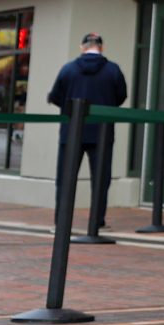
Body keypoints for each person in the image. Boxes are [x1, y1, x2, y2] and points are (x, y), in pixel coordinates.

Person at [46, 32, 129, 228]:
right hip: (102, 131)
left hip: (71, 132)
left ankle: (62, 221)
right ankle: (97, 221)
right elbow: (121, 96)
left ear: (82, 47)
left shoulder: (68, 70)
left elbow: (57, 96)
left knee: (66, 179)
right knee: (101, 180)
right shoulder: (113, 70)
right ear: (101, 47)